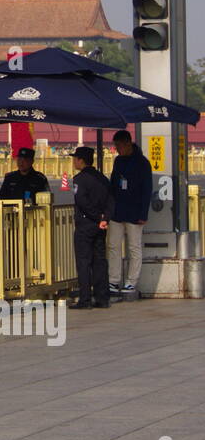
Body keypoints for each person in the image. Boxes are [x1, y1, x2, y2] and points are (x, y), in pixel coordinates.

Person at [107, 130, 152, 299]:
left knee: (134, 247)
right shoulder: (118, 161)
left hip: (134, 212)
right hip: (117, 211)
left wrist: (143, 213)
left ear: (127, 143)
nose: (116, 149)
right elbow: (113, 184)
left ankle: (131, 280)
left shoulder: (142, 163)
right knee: (113, 246)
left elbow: (147, 190)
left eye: (118, 146)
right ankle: (114, 279)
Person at [70, 145, 111, 309]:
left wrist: (95, 217)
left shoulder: (79, 179)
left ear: (81, 160)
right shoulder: (103, 178)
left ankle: (85, 298)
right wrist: (104, 218)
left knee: (84, 262)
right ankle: (102, 298)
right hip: (100, 226)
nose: (74, 162)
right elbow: (110, 200)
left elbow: (82, 201)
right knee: (100, 261)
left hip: (86, 224)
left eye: (75, 159)